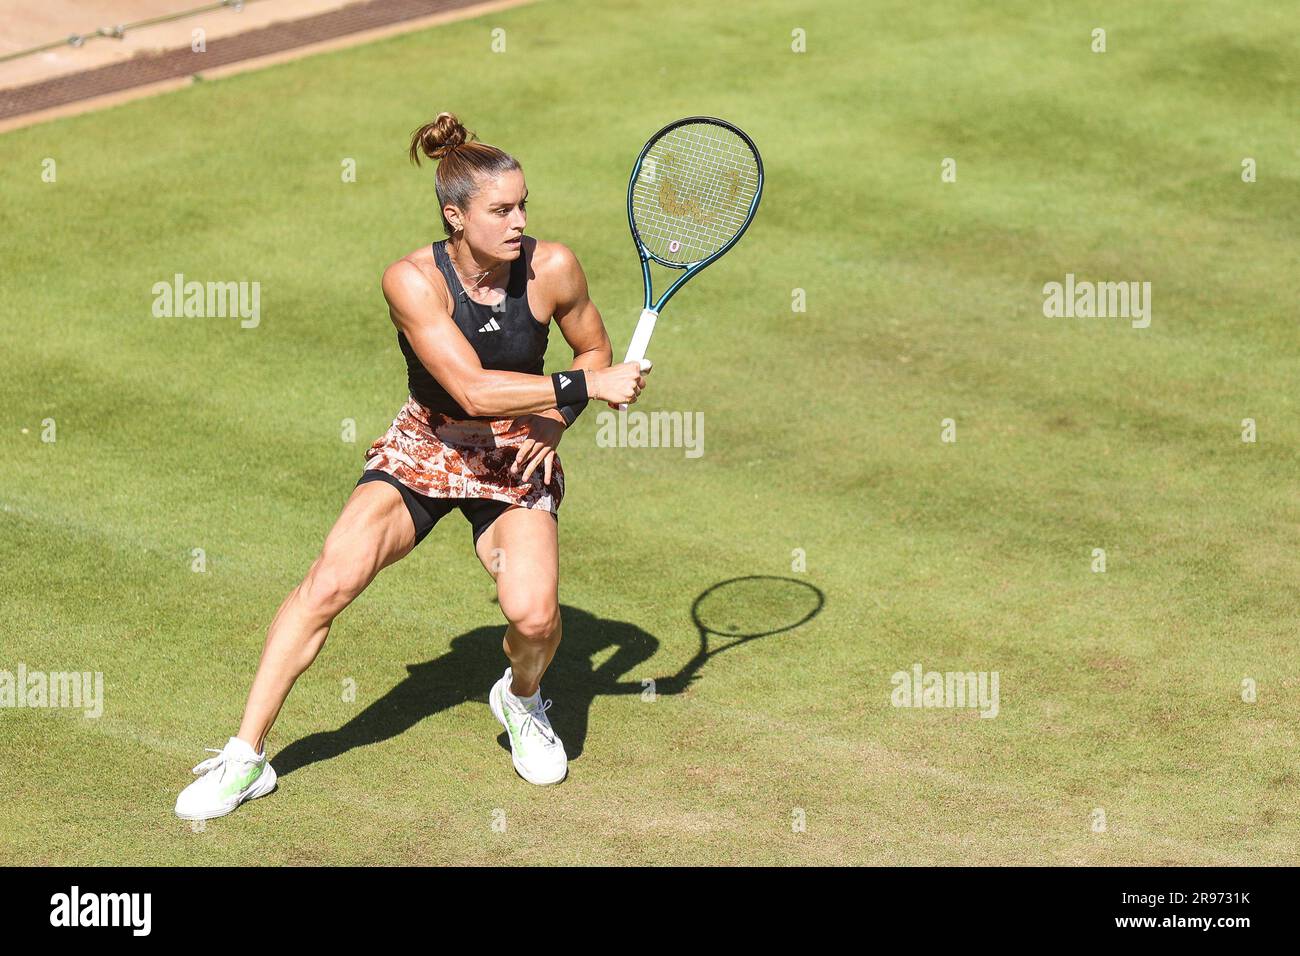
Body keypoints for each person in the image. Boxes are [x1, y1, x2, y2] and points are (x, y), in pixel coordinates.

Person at [175, 111, 649, 820]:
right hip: (428, 443)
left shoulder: (554, 267)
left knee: (536, 617)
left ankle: (521, 700)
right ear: (456, 216)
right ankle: (245, 758)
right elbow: (474, 390)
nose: (519, 220)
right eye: (501, 209)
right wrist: (584, 389)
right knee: (328, 581)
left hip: (515, 451)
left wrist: (553, 423)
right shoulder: (411, 281)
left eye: (523, 204)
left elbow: (592, 351)